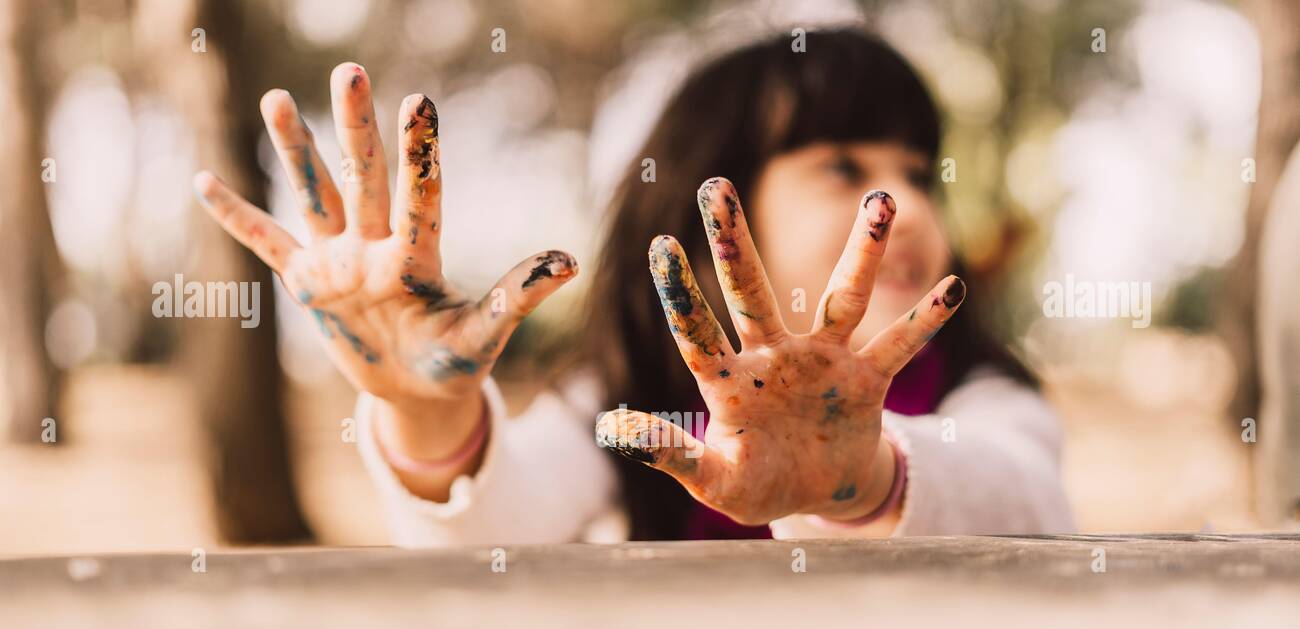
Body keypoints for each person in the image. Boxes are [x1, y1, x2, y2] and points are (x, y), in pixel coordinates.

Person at [194, 29, 1074, 545]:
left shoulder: (974, 390)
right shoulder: (637, 399)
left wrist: (862, 480)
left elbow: (1027, 497)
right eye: (845, 168)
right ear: (716, 203)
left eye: (920, 173)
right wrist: (428, 417)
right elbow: (504, 527)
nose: (907, 206)